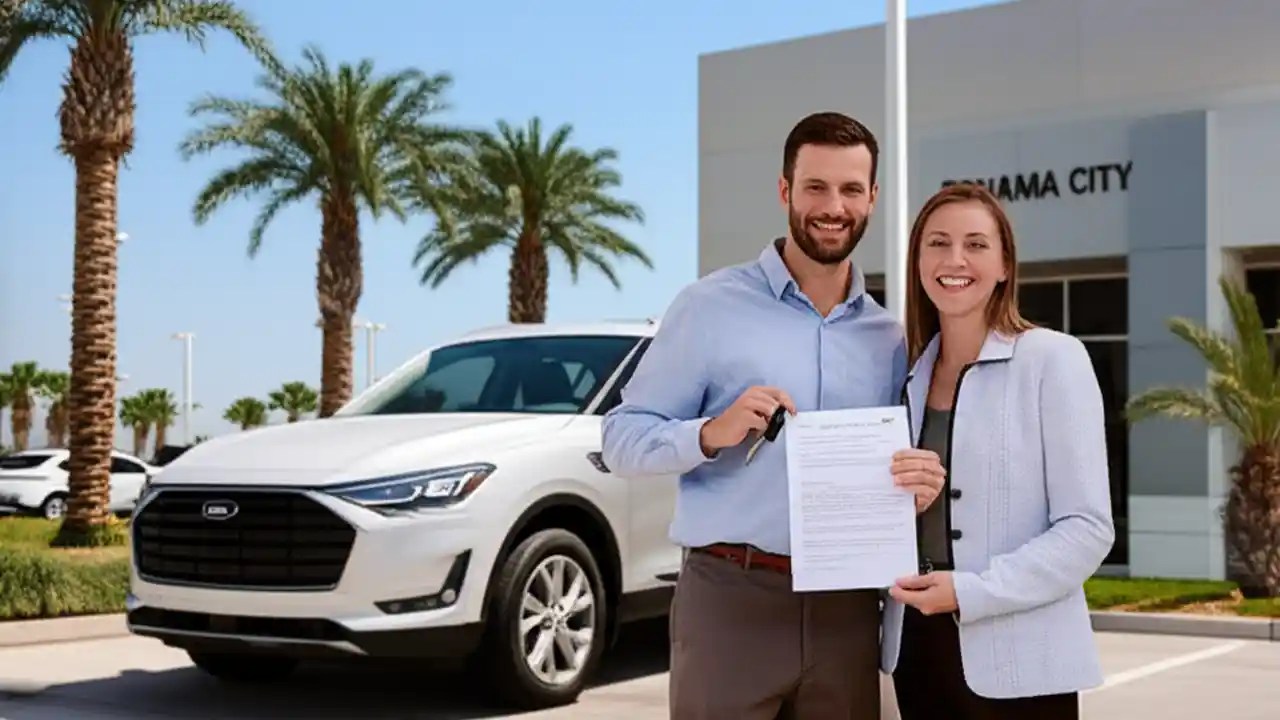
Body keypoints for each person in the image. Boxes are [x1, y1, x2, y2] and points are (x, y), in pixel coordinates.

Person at [601, 111, 946, 720]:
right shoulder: (708, 307)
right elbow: (621, 438)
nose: (832, 206)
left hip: (847, 608)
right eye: (815, 187)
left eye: (849, 189)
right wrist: (710, 433)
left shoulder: (890, 337)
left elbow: (896, 465)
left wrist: (914, 486)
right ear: (786, 190)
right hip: (733, 597)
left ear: (872, 198)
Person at [882, 182, 1116, 720]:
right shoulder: (907, 379)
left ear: (1005, 264)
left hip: (1023, 659)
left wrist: (972, 592)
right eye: (937, 243)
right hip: (917, 649)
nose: (955, 259)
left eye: (976, 244)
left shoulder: (1053, 360)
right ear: (918, 261)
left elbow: (1087, 527)